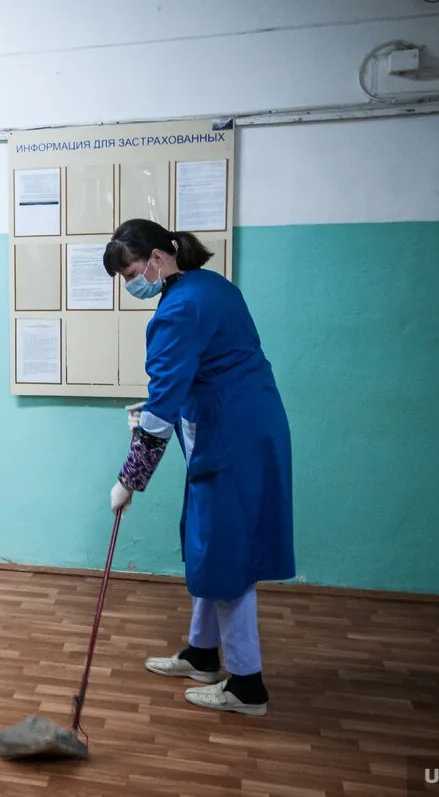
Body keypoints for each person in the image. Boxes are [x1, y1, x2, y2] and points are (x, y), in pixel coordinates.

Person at [102, 219, 294, 717]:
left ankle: (248, 686)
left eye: (132, 273)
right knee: (210, 544)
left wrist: (129, 479)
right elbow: (199, 371)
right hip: (243, 427)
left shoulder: (181, 307)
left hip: (230, 440)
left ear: (159, 259)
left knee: (226, 555)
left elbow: (164, 400)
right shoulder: (210, 286)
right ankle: (202, 654)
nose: (132, 285)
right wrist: (158, 410)